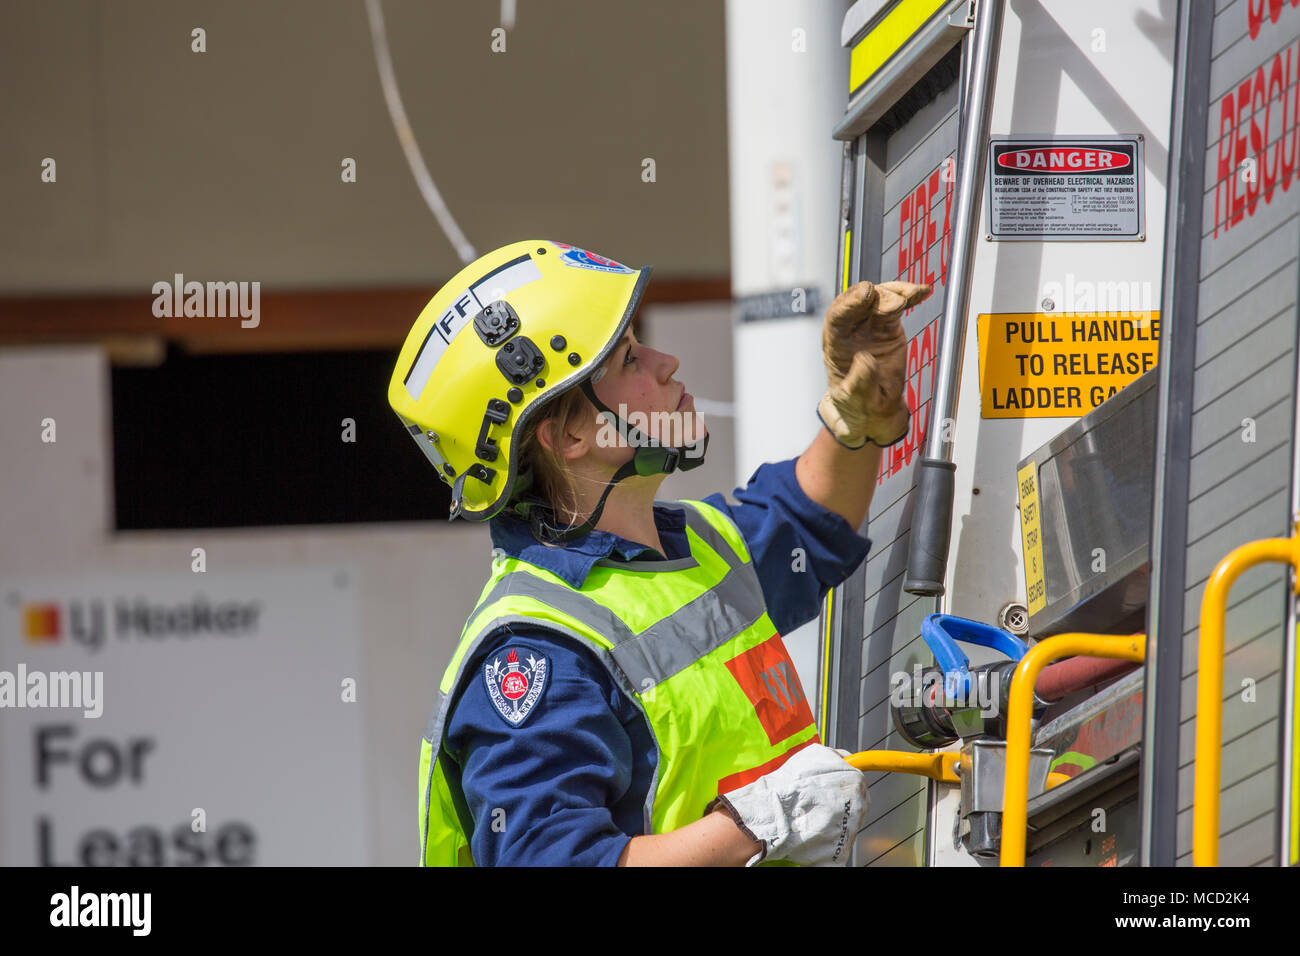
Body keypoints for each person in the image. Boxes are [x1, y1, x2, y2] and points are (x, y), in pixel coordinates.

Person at [388, 239, 932, 866]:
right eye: (628, 358)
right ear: (568, 435)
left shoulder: (694, 544)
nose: (666, 361)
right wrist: (759, 824)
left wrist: (856, 416)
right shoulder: (538, 652)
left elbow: (811, 523)